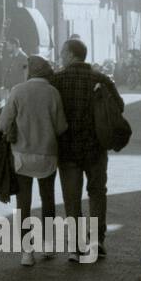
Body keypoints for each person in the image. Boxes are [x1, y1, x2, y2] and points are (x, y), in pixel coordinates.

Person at [50, 38, 124, 262]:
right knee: (97, 192)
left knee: (71, 198)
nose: (61, 55)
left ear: (71, 54)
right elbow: (119, 107)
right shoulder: (100, 78)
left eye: (63, 52)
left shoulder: (57, 80)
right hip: (96, 148)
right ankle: (97, 240)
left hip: (68, 149)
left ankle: (75, 246)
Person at [0, 56, 67, 267]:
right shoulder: (53, 93)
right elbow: (61, 126)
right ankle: (47, 245)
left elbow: (3, 123)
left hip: (22, 155)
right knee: (48, 200)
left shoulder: (18, 91)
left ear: (30, 71)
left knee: (23, 204)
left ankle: (26, 253)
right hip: (47, 155)